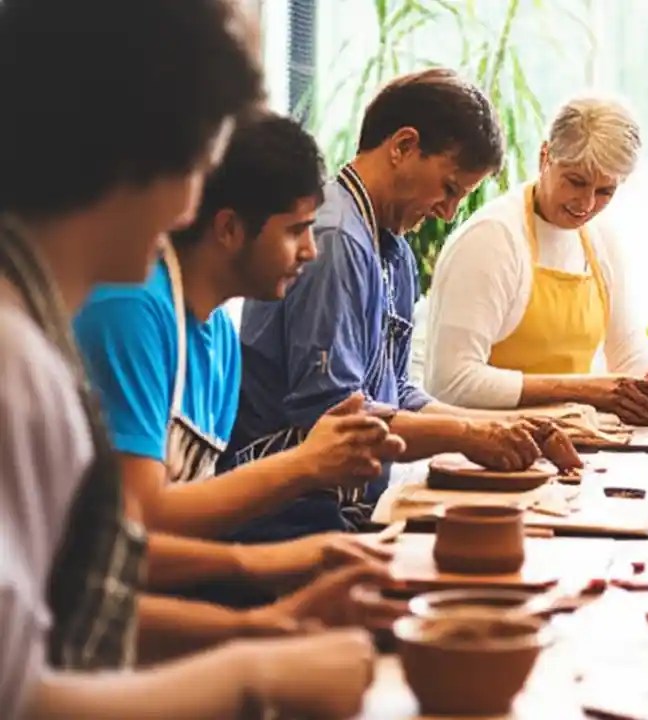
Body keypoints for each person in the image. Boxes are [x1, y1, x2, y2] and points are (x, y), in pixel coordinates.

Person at [0, 0, 373, 717]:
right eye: (200, 162)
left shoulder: (41, 328)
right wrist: (251, 669)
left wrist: (260, 629)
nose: (190, 208)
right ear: (135, 155)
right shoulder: (23, 363)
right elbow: (23, 693)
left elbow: (79, 596)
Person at [74, 112, 404, 652]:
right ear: (228, 229)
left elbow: (199, 511)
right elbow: (135, 529)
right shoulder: (133, 310)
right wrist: (302, 469)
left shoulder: (221, 341)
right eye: (296, 230)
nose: (311, 251)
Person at [228, 68, 579, 543]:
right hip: (286, 509)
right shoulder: (335, 240)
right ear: (402, 147)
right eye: (450, 188)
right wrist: (469, 437)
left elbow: (398, 396)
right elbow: (336, 420)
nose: (448, 211)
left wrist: (504, 427)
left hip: (353, 500)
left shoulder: (392, 248)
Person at [421, 96, 648, 424]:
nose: (587, 204)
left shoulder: (601, 239)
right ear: (545, 157)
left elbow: (628, 356)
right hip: (483, 453)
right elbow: (450, 383)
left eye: (606, 191)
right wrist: (586, 391)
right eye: (576, 182)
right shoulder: (491, 239)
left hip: (569, 444)